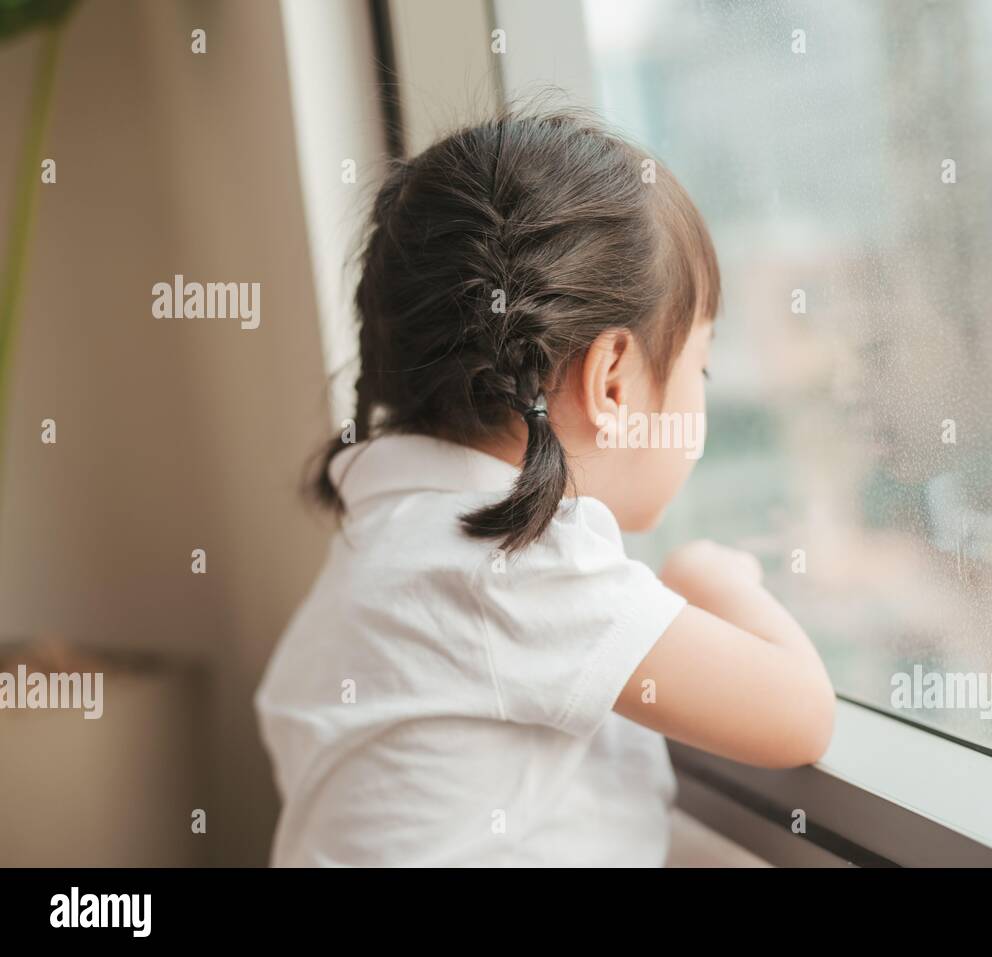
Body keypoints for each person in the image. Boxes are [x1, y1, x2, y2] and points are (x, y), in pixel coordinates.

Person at [254, 107, 835, 867]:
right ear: (614, 384)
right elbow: (797, 713)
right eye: (703, 367)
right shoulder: (517, 567)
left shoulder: (387, 540)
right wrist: (709, 578)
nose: (704, 394)